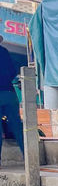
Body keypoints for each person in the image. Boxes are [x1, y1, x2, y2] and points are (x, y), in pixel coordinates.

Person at [0, 35, 23, 165]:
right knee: (18, 127)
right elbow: (13, 72)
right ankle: (29, 156)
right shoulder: (4, 52)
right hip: (9, 93)